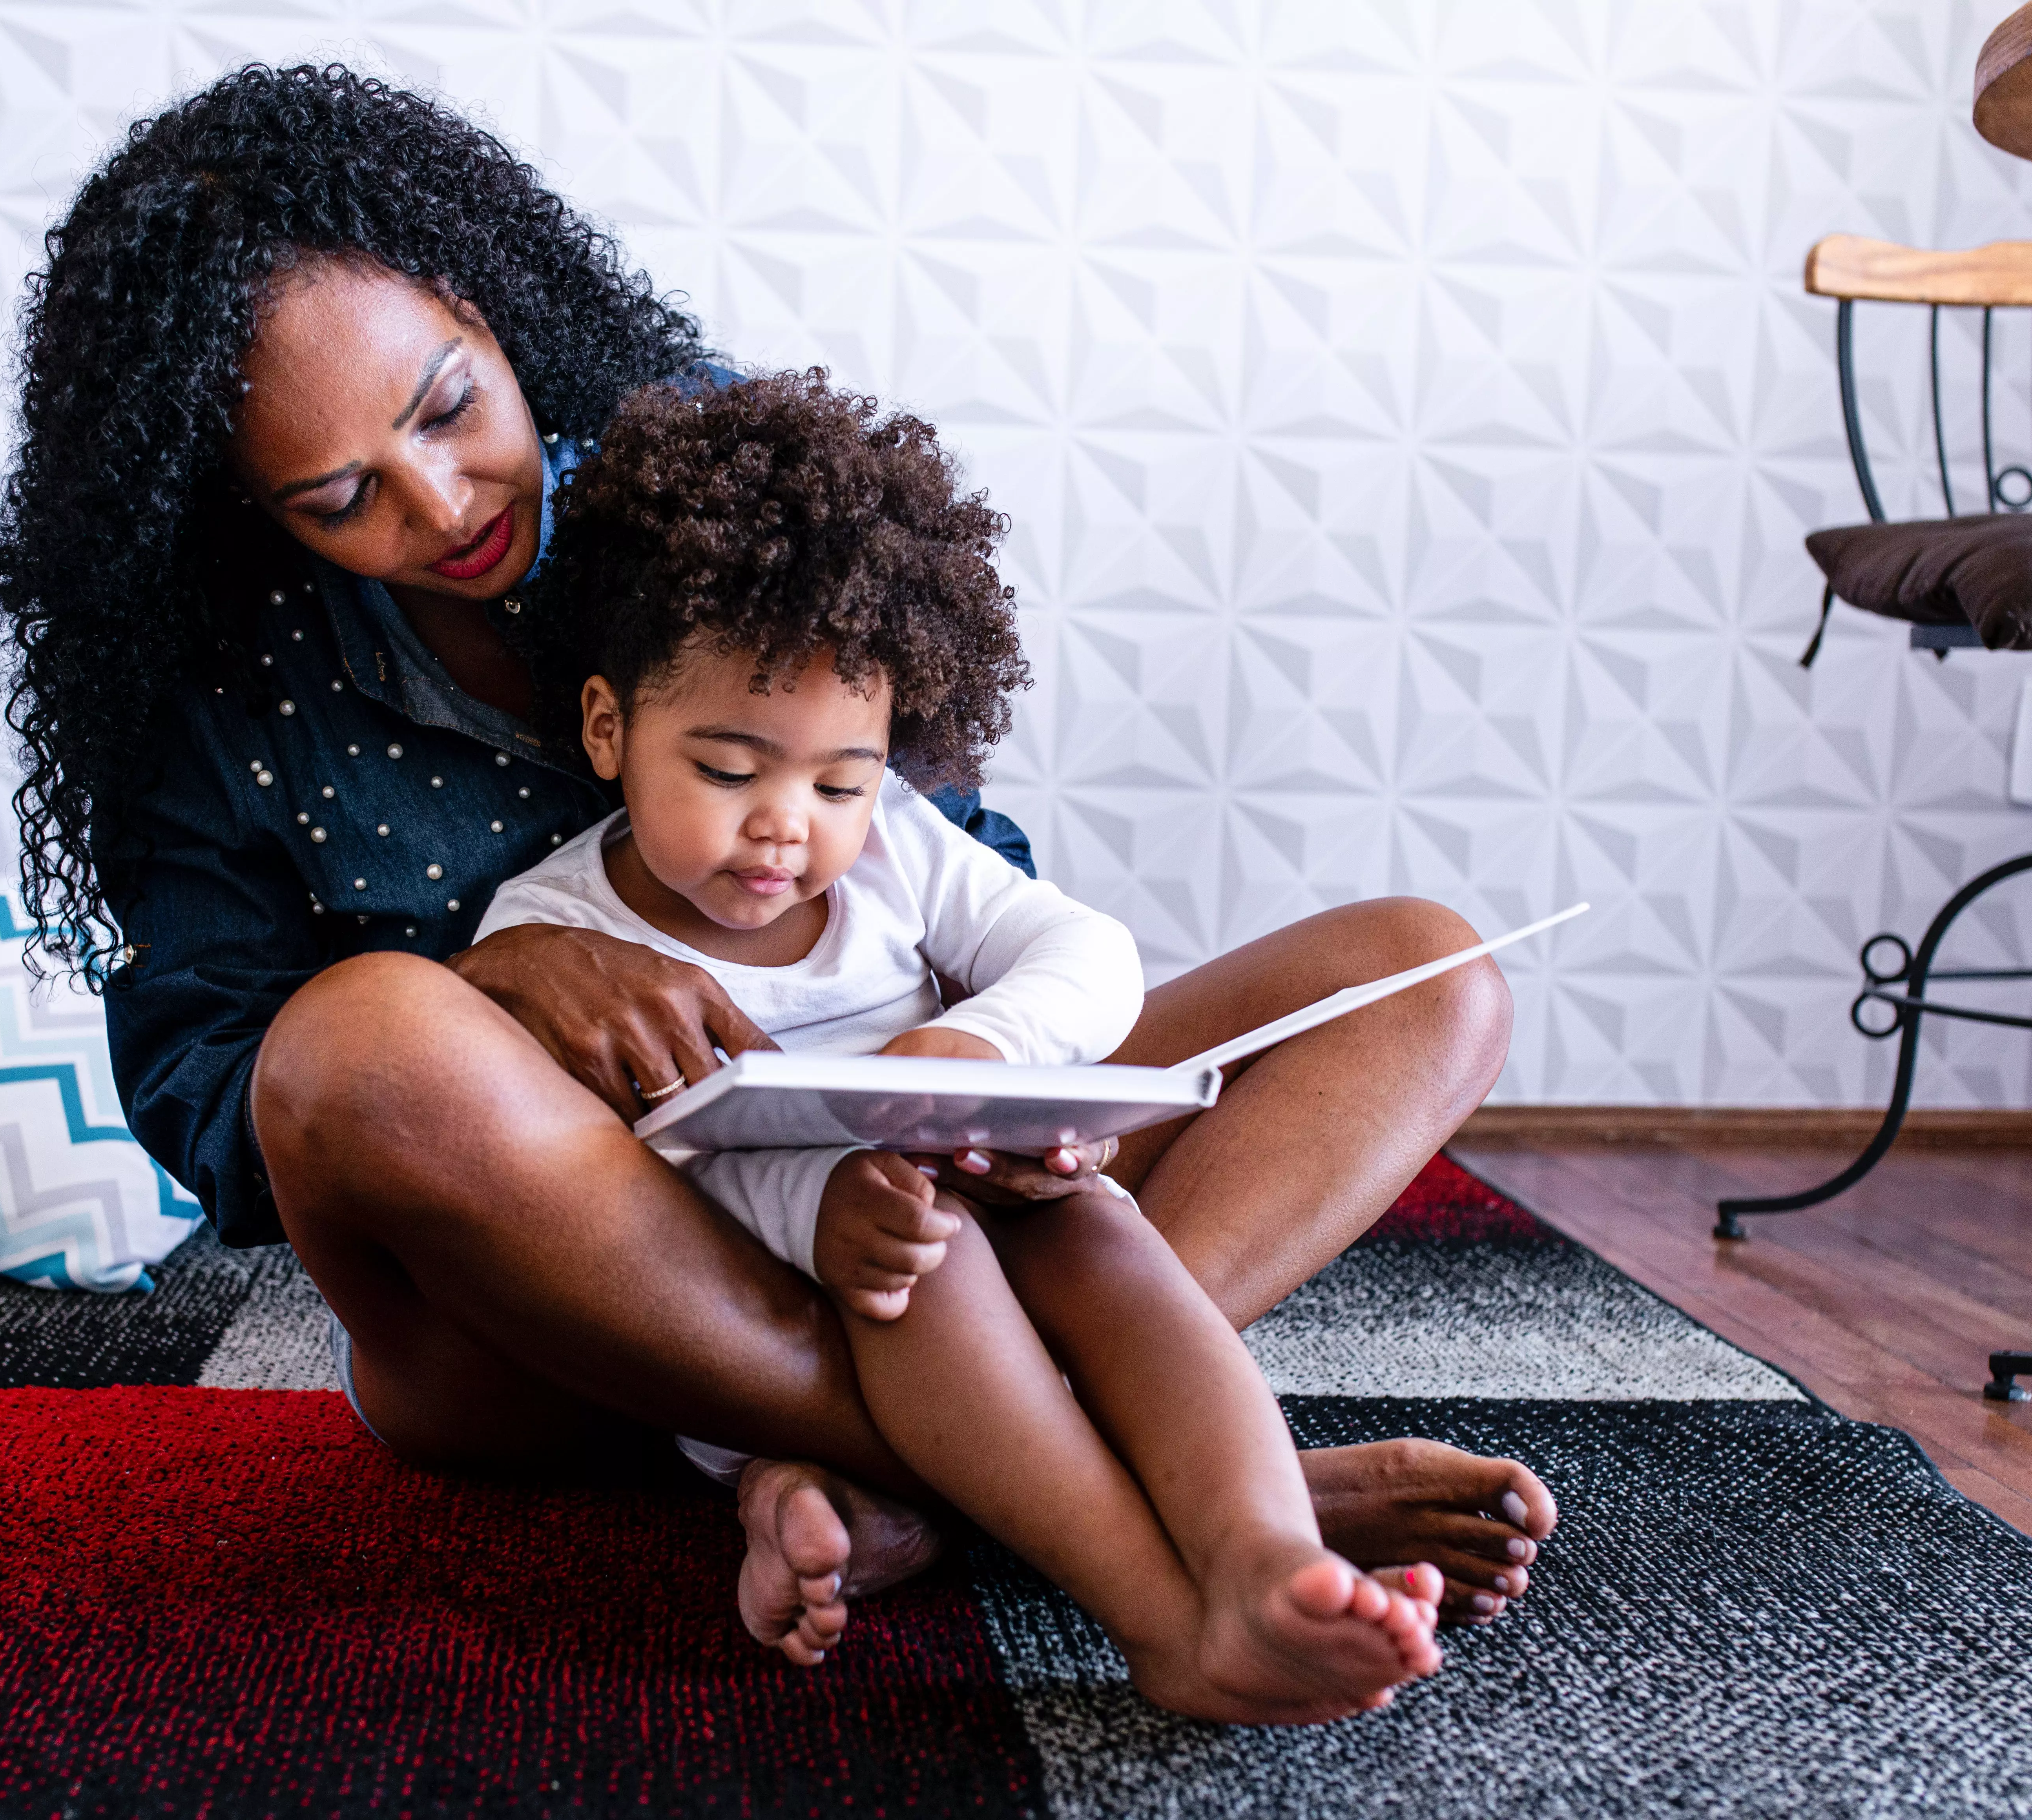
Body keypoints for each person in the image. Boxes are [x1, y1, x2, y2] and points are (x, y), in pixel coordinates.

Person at [0, 62, 1557, 1667]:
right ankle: (1133, 1485)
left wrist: (986, 1092)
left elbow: (945, 848)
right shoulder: (222, 686)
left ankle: (952, 1478)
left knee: (1425, 979)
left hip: (896, 1186)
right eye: (339, 497)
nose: (442, 502)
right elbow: (224, 1100)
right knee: (360, 1037)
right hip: (564, 1316)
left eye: (449, 407)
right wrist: (492, 986)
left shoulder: (712, 485)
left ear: (486, 294)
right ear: (247, 507)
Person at [473, 371, 1444, 1720]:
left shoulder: (898, 855)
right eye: (727, 769)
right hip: (771, 1301)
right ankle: (1162, 1617)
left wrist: (977, 1059)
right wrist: (832, 1204)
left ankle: (1260, 1551)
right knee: (923, 1270)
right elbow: (613, 1178)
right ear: (606, 729)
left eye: (838, 782)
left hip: (947, 1176)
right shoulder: (551, 927)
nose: (785, 827)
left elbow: (1083, 954)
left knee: (1103, 1230)